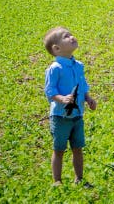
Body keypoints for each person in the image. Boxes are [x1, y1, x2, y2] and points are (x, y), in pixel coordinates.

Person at [43, 27, 97, 186]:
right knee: (59, 149)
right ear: (57, 48)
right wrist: (62, 98)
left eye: (71, 34)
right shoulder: (54, 69)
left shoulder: (78, 65)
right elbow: (50, 91)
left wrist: (88, 98)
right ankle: (57, 180)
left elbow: (83, 84)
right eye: (66, 36)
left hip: (77, 114)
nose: (72, 37)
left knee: (78, 148)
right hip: (61, 116)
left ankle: (79, 178)